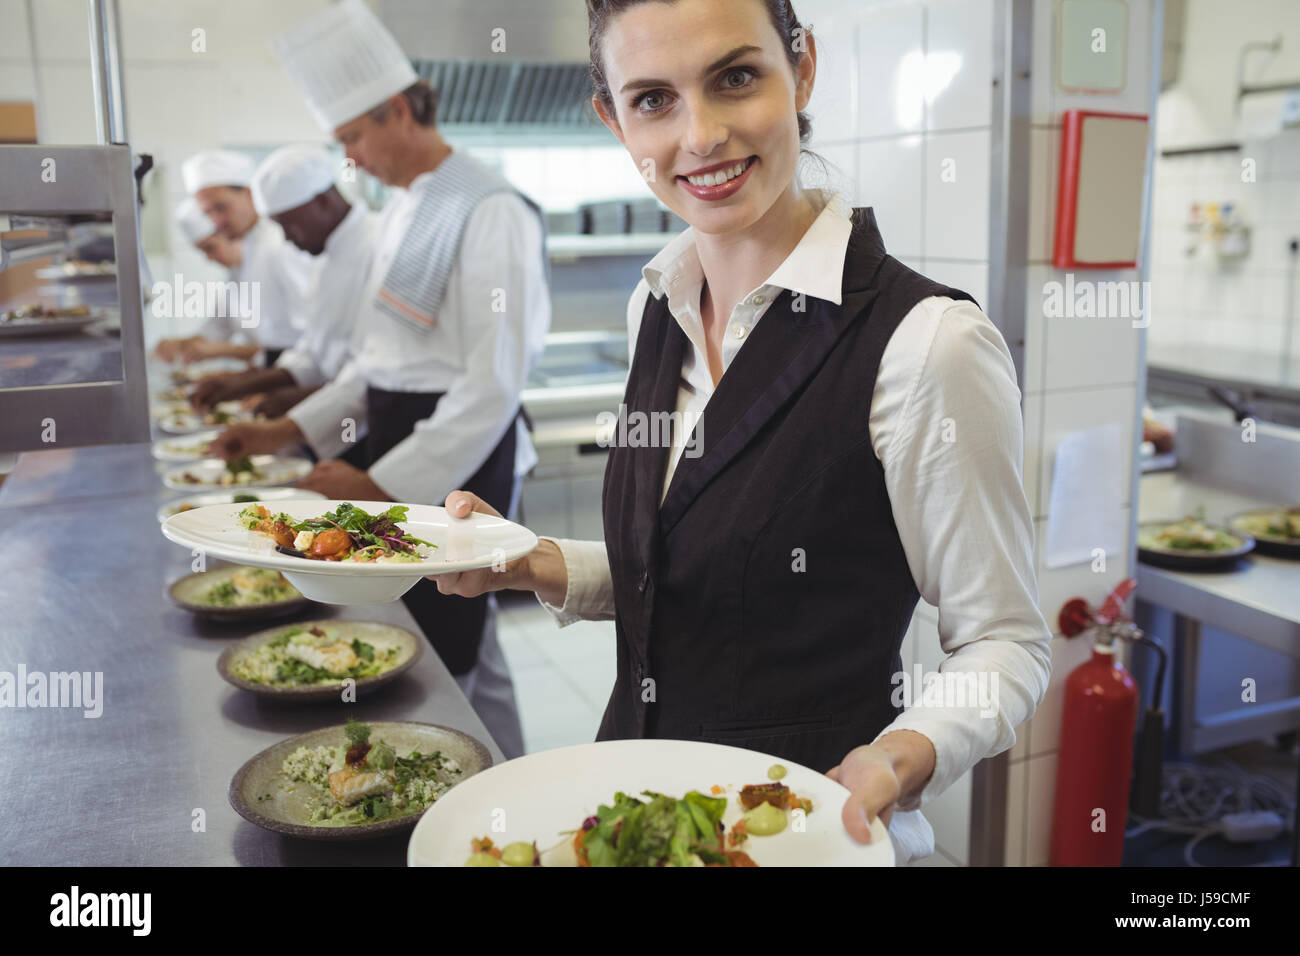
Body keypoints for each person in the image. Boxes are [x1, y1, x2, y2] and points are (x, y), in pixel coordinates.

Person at [426, 0, 1053, 865]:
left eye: (735, 77)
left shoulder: (926, 345)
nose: (702, 134)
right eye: (653, 100)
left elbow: (1008, 638)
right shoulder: (656, 305)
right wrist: (531, 561)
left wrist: (898, 760)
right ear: (613, 119)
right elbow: (694, 571)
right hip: (638, 815)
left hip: (801, 832)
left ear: (802, 70)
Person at [209, 0, 550, 760]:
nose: (352, 159)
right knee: (448, 642)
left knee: (450, 641)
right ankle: (498, 770)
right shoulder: (401, 211)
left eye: (354, 138)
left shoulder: (490, 209)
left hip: (460, 455)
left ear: (399, 109)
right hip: (398, 438)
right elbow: (376, 363)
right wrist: (285, 430)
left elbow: (492, 384)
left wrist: (387, 482)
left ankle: (467, 784)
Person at [195, 145, 377, 424]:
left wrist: (301, 400)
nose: (289, 239)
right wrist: (242, 385)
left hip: (363, 418)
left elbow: (376, 368)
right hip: (331, 409)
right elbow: (314, 352)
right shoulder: (323, 255)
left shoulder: (378, 246)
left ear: (323, 202)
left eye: (290, 225)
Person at [167, 149, 313, 367]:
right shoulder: (247, 253)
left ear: (249, 193)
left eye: (221, 208)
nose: (216, 221)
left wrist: (229, 354)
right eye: (208, 213)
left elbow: (311, 342)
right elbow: (220, 327)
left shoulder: (281, 246)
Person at [154, 198, 251, 364]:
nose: (209, 258)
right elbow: (217, 329)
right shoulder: (235, 277)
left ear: (229, 234)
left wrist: (219, 350)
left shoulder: (267, 265)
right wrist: (181, 344)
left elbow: (280, 348)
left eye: (210, 248)